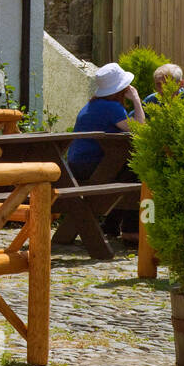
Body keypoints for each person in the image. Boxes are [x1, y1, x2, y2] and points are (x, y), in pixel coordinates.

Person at [67, 62, 145, 240]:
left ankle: (110, 226)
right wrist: (137, 100)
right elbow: (140, 130)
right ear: (121, 89)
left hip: (76, 164)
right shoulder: (112, 108)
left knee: (120, 170)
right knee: (136, 170)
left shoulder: (92, 105)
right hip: (92, 166)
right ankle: (131, 230)